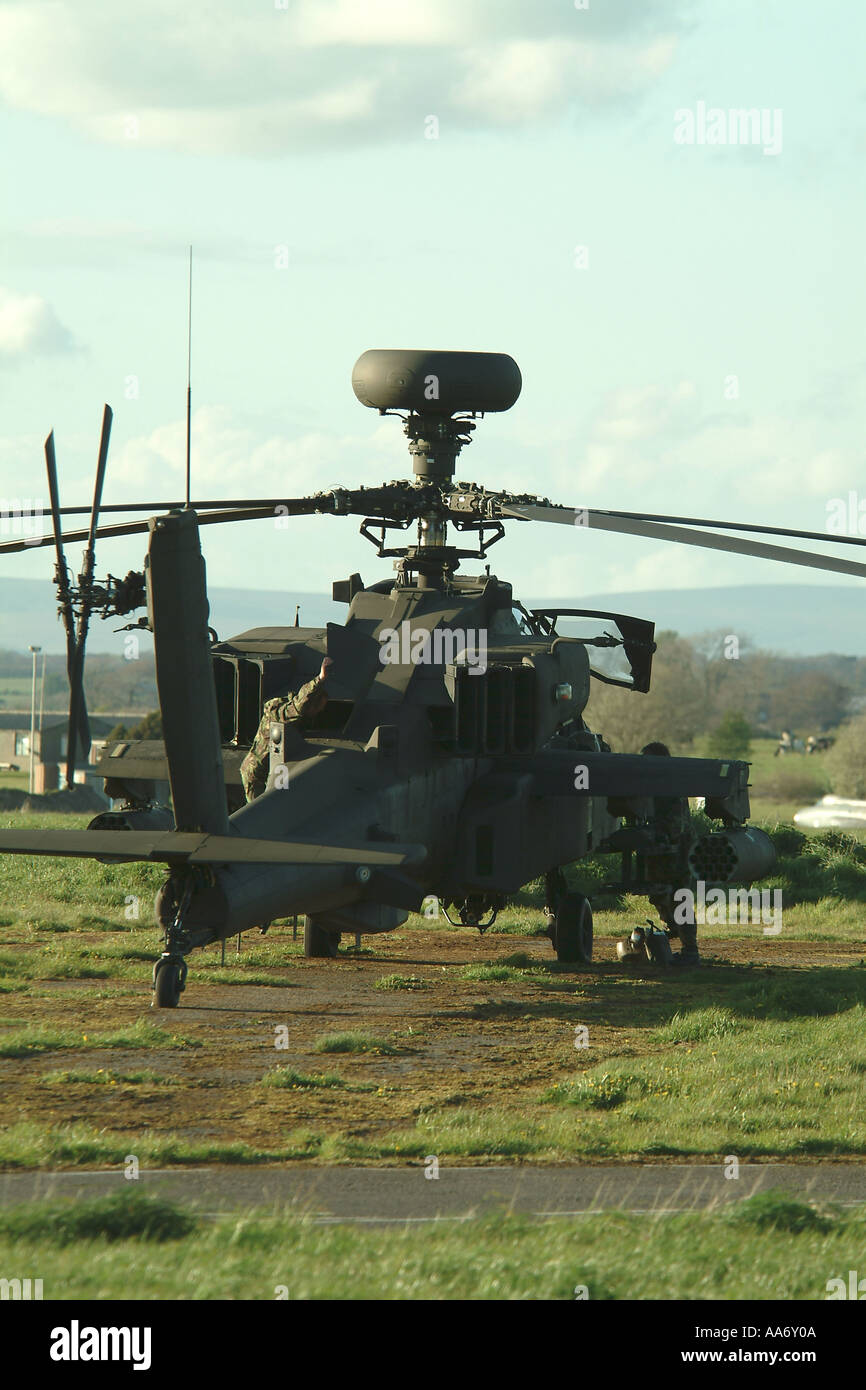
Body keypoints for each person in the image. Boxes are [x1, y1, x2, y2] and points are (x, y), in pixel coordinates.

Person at [240, 656, 332, 801]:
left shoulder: (297, 718)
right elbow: (299, 705)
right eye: (318, 708)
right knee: (262, 814)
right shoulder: (280, 713)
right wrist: (320, 678)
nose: (318, 713)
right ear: (310, 704)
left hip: (275, 771)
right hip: (257, 774)